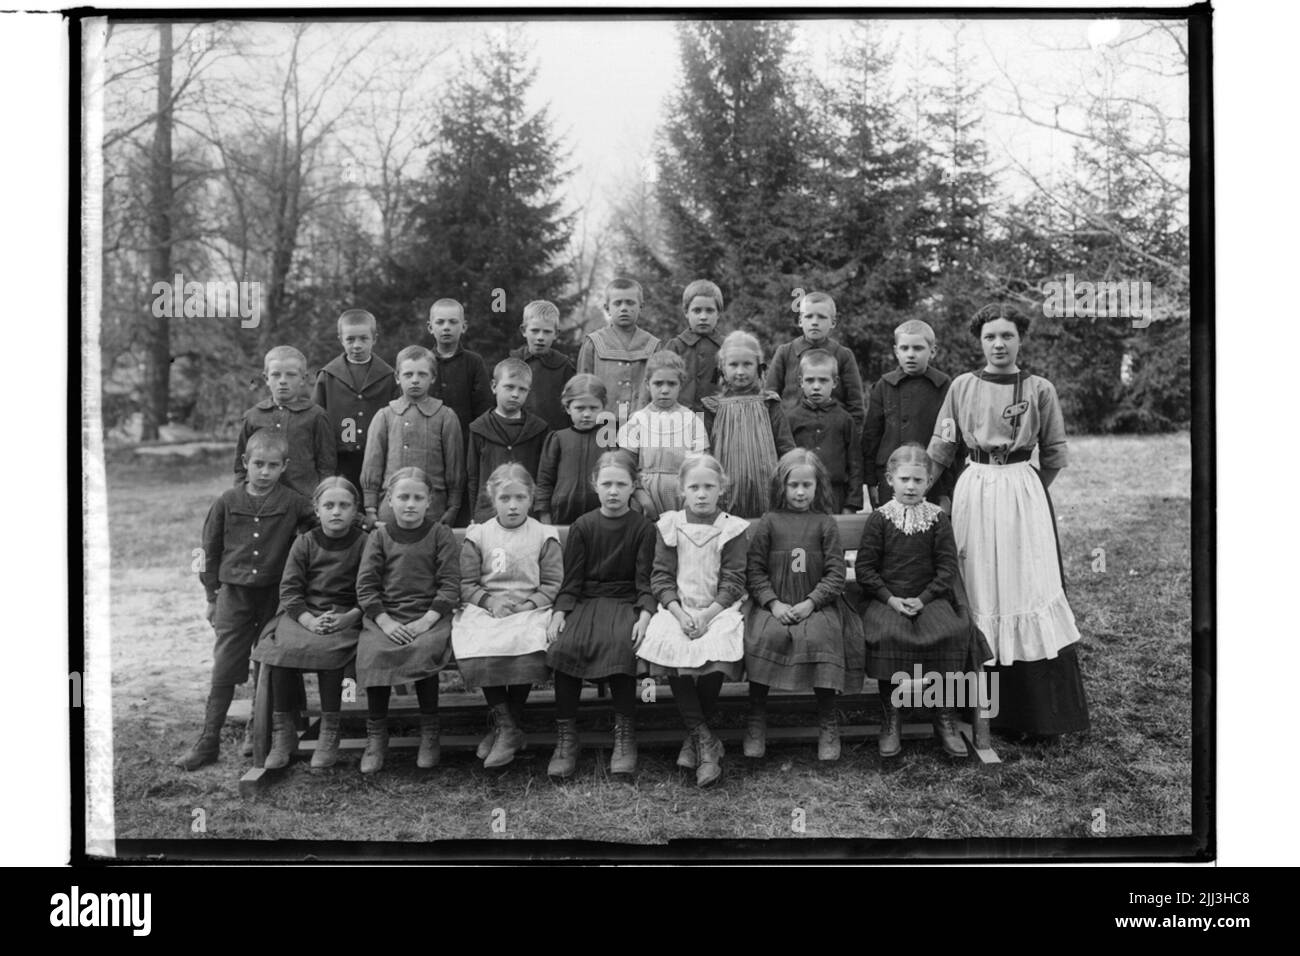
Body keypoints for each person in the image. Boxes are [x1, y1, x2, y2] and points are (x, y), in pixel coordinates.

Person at [927, 302, 1089, 740]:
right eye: (990, 337)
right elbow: (941, 451)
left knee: (1024, 582)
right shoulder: (962, 386)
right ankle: (975, 708)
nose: (999, 344)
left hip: (1021, 489)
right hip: (974, 487)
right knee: (976, 581)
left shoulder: (1039, 388)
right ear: (979, 342)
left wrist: (1027, 492)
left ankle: (1035, 714)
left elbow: (1054, 454)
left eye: (1007, 336)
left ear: (1020, 339)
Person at [177, 429, 315, 770]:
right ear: (245, 463)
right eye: (258, 464)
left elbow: (319, 532)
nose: (264, 472)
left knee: (269, 662)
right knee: (225, 663)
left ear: (284, 466)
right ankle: (209, 739)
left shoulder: (294, 502)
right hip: (233, 595)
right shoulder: (226, 500)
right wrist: (210, 594)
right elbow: (203, 550)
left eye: (272, 465)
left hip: (274, 596)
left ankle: (262, 729)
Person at [854, 443, 993, 758]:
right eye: (904, 479)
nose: (911, 486)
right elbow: (865, 569)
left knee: (950, 631)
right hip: (886, 600)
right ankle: (891, 718)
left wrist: (924, 598)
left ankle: (944, 716)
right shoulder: (880, 519)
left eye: (918, 481)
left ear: (929, 483)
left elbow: (946, 569)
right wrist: (890, 600)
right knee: (887, 633)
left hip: (929, 598)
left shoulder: (937, 519)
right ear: (890, 480)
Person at [744, 449, 864, 761]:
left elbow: (837, 573)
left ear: (817, 487)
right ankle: (756, 718)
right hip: (775, 604)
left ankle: (827, 719)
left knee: (823, 635)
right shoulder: (770, 522)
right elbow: (755, 570)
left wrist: (812, 602)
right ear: (781, 487)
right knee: (765, 635)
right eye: (793, 485)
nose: (799, 492)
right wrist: (772, 603)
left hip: (816, 604)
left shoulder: (824, 523)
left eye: (806, 485)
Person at [636, 454, 748, 787]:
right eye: (694, 487)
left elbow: (733, 579)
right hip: (678, 608)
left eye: (709, 487)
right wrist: (680, 613)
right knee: (671, 646)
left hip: (718, 609)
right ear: (682, 490)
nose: (701, 494)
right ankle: (704, 739)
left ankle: (696, 738)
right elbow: (661, 577)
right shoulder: (670, 524)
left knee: (714, 650)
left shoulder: (732, 527)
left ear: (721, 489)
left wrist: (709, 614)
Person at [545, 451, 656, 779]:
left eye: (621, 484)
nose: (613, 491)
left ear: (633, 486)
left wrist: (646, 613)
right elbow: (572, 580)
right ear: (595, 485)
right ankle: (566, 738)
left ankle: (624, 736)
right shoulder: (583, 525)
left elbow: (645, 581)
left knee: (623, 643)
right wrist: (559, 613)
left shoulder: (643, 528)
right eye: (606, 483)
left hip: (625, 601)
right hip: (587, 600)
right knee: (564, 646)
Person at [252, 476, 367, 771]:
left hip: (346, 614)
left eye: (344, 505)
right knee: (281, 649)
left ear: (356, 510)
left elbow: (372, 588)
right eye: (329, 505)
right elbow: (289, 590)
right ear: (316, 509)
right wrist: (309, 620)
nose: (336, 511)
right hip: (303, 613)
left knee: (329, 650)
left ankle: (329, 732)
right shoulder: (304, 543)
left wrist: (348, 616)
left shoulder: (365, 543)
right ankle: (283, 732)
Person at [453, 464, 562, 769]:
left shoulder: (544, 535)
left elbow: (553, 583)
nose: (512, 505)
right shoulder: (480, 534)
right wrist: (489, 601)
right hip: (488, 608)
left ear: (531, 498)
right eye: (504, 498)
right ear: (492, 498)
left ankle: (505, 729)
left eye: (520, 497)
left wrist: (529, 604)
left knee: (526, 640)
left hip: (531, 608)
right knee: (482, 641)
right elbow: (466, 584)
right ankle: (508, 727)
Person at [354, 467, 461, 773]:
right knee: (376, 651)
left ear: (430, 502)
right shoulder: (379, 536)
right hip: (387, 614)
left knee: (424, 648)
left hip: (430, 614)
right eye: (403, 497)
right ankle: (376, 735)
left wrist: (427, 620)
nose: (410, 504)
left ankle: (430, 733)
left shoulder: (439, 534)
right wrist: (385, 622)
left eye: (418, 498)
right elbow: (366, 586)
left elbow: (450, 584)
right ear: (390, 499)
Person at [359, 345, 464, 528]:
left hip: (433, 510)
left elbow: (455, 467)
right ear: (397, 377)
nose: (415, 380)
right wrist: (370, 508)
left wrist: (453, 507)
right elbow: (372, 464)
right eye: (408, 375)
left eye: (422, 374)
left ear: (433, 378)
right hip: (390, 511)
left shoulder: (446, 417)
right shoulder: (385, 416)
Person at [861, 319, 955, 508]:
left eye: (918, 348)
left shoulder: (945, 386)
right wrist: (871, 482)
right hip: (891, 480)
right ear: (896, 351)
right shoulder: (884, 386)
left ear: (933, 351)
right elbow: (871, 438)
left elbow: (952, 442)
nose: (910, 355)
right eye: (904, 348)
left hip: (933, 482)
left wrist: (947, 489)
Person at [701, 331, 795, 518]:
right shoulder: (709, 407)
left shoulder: (770, 403)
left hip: (767, 496)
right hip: (725, 497)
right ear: (722, 368)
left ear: (759, 367)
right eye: (733, 365)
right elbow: (702, 455)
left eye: (747, 364)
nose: (740, 371)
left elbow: (787, 449)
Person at [311, 309, 400, 495]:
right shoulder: (328, 375)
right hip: (340, 457)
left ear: (374, 339)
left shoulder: (388, 376)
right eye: (350, 339)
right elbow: (317, 417)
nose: (357, 345)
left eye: (363, 339)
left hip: (377, 455)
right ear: (341, 339)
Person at [426, 298, 494, 526]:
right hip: (429, 448)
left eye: (453, 322)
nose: (446, 327)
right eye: (440, 322)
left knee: (462, 508)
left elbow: (483, 409)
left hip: (464, 449)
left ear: (463, 326)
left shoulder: (473, 363)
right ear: (430, 327)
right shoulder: (422, 363)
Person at [234, 345, 336, 497]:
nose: (283, 381)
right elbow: (240, 467)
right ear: (266, 379)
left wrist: (322, 499)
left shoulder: (316, 416)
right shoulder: (253, 416)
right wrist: (239, 496)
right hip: (260, 501)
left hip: (303, 502)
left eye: (291, 375)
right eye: (276, 375)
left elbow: (326, 466)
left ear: (303, 379)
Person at [618, 351, 709, 520]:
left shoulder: (692, 420)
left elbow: (702, 466)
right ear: (647, 384)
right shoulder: (637, 420)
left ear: (680, 385)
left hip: (684, 499)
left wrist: (691, 500)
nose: (665, 390)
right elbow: (625, 465)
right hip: (645, 500)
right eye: (658, 383)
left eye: (671, 384)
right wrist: (641, 498)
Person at [765, 291, 865, 435]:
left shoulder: (843, 355)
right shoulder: (785, 352)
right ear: (800, 320)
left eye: (822, 317)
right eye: (809, 316)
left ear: (833, 322)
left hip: (832, 435)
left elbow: (855, 406)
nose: (814, 322)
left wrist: (851, 439)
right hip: (791, 434)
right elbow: (770, 398)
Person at [466, 358, 550, 524]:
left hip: (526, 515)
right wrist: (474, 515)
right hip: (488, 515)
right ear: (494, 386)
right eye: (509, 387)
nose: (515, 394)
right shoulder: (479, 428)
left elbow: (543, 477)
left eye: (522, 389)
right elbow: (472, 476)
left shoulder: (538, 429)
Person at [785, 349, 863, 513]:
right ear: (801, 381)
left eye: (823, 380)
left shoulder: (845, 419)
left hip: (836, 496)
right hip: (801, 495)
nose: (816, 386)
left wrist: (851, 504)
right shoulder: (791, 419)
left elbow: (855, 463)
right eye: (810, 380)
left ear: (834, 382)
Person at [576, 277, 662, 422]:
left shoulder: (652, 345)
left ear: (641, 306)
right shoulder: (593, 342)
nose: (623, 308)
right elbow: (582, 387)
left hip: (642, 424)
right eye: (617, 303)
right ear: (607, 308)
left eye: (630, 303)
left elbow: (660, 386)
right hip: (602, 424)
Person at [535, 374, 610, 526]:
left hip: (602, 518)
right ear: (568, 408)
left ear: (603, 407)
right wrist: (545, 521)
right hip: (562, 517)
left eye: (593, 408)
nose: (587, 414)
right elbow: (544, 482)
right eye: (580, 408)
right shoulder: (558, 439)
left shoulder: (611, 440)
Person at [509, 299, 577, 431]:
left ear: (556, 334)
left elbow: (573, 403)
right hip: (519, 435)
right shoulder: (513, 362)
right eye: (535, 330)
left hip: (554, 434)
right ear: (524, 330)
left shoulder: (564, 366)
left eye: (547, 332)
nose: (540, 337)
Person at [663, 279, 725, 413]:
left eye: (709, 311)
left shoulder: (728, 348)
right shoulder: (675, 347)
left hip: (717, 419)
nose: (703, 317)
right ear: (686, 312)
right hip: (680, 418)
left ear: (718, 313)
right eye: (697, 311)